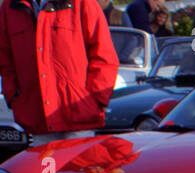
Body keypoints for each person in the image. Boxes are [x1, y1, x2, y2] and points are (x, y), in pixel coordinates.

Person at [0, 0, 119, 145]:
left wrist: (93, 100)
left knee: (76, 167)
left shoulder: (82, 3)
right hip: (38, 121)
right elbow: (5, 62)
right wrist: (15, 98)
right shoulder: (10, 7)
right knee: (44, 168)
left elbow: (104, 56)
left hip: (79, 120)